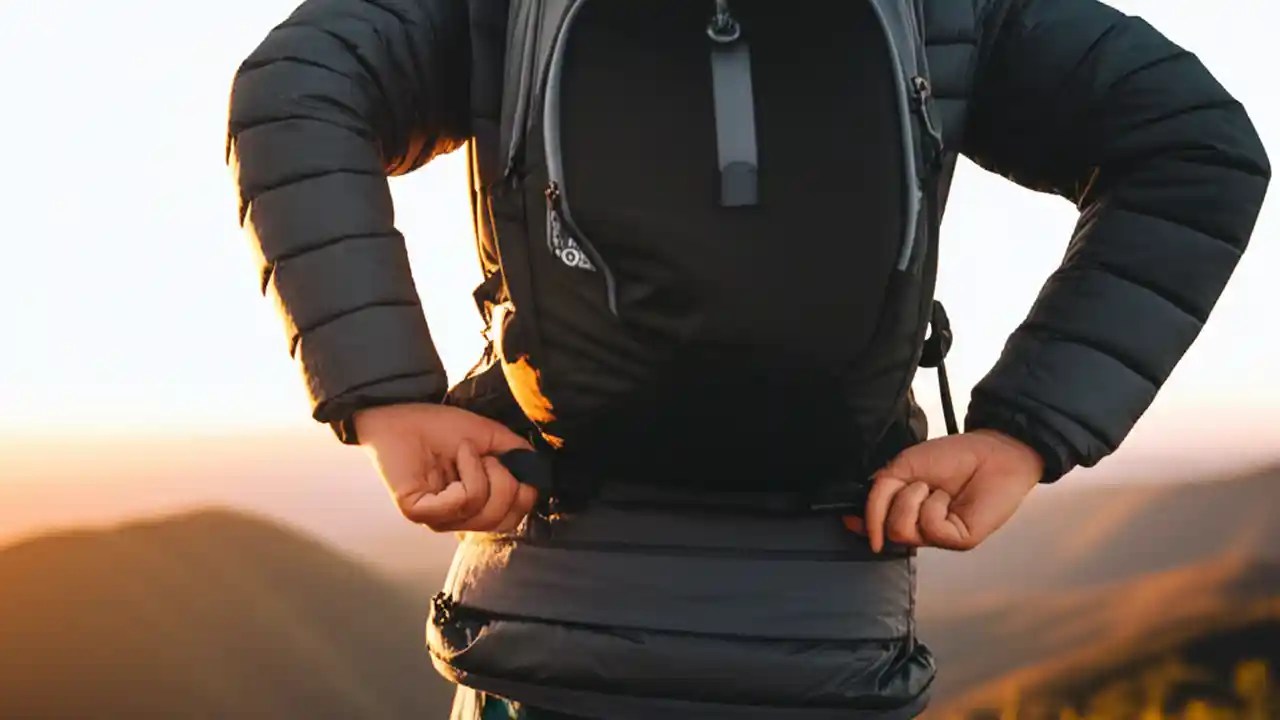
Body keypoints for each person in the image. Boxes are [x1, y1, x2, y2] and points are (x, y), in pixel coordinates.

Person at [226, 0, 1269, 717]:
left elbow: (297, 84)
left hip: (549, 611)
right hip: (825, 628)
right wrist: (1024, 433)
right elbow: (1193, 148)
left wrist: (387, 397)